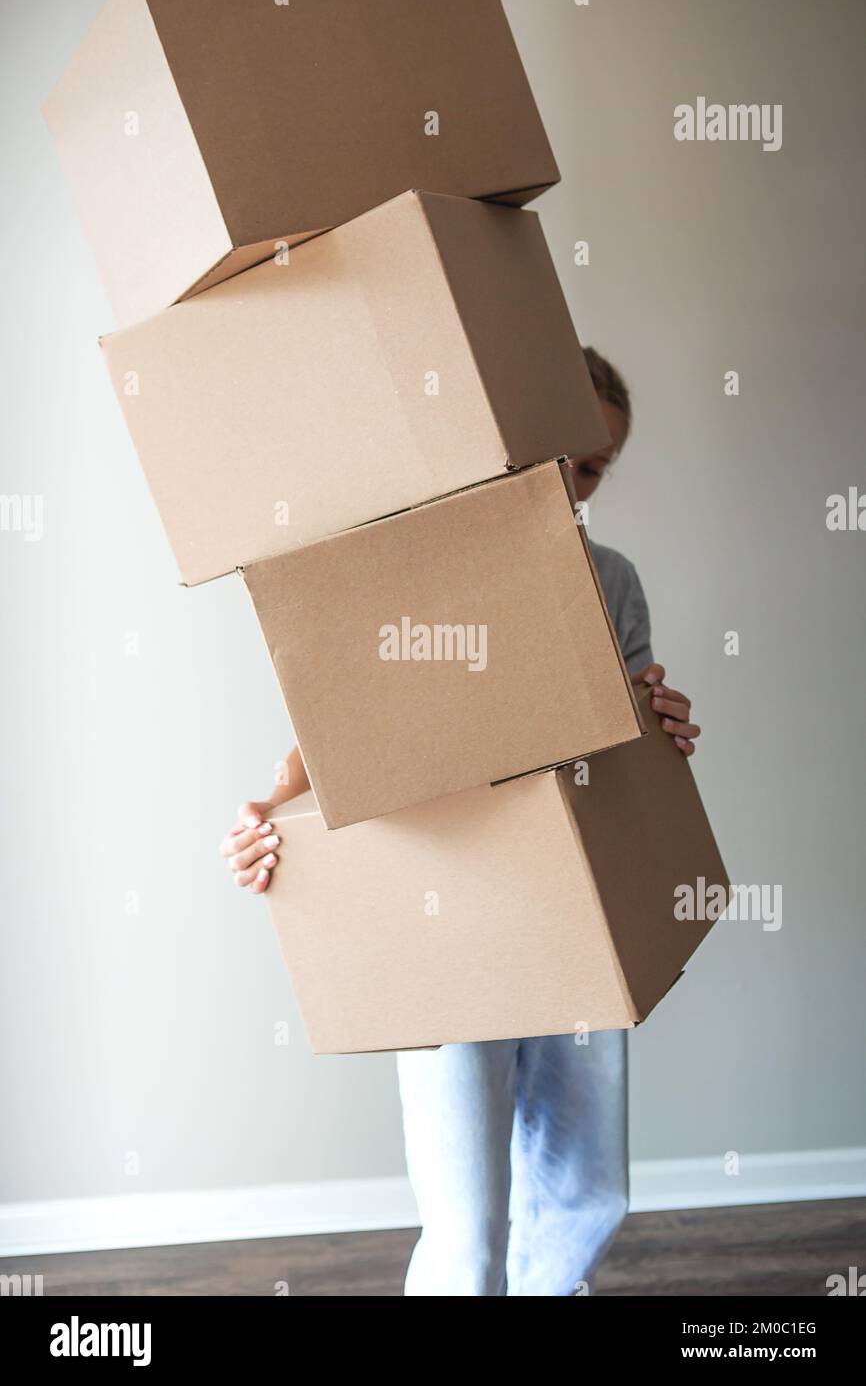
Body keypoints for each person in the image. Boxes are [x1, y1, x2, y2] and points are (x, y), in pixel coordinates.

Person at [219, 348, 702, 1296]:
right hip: (449, 918)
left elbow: (638, 740)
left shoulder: (614, 581)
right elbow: (337, 733)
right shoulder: (426, 566)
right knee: (466, 1224)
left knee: (588, 1190)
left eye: (598, 466)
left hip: (576, 916)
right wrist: (272, 813)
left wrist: (664, 727)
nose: (574, 480)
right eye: (559, 452)